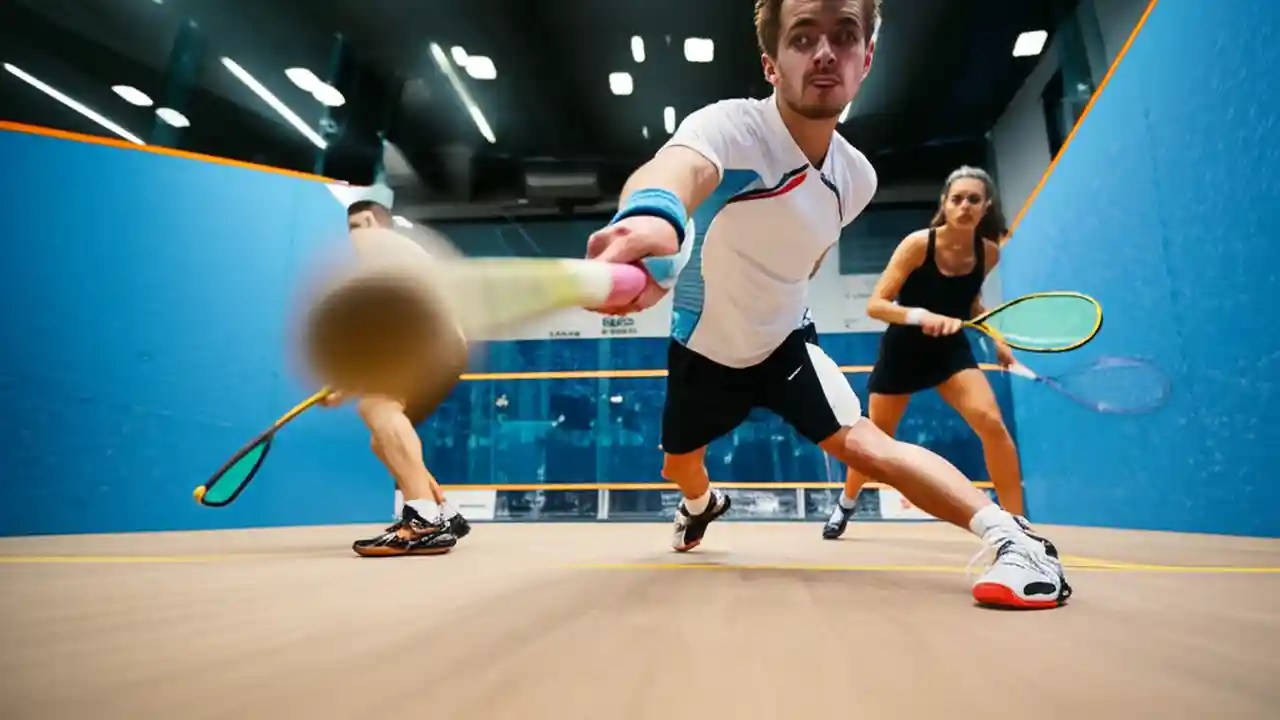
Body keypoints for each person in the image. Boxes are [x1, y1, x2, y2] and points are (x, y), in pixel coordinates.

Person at [585, 0, 1071, 608]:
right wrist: (653, 216)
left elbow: (807, 253)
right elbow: (675, 170)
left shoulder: (857, 180)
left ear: (865, 59)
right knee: (679, 468)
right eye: (802, 38)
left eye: (844, 36)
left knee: (864, 444)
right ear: (771, 63)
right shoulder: (731, 128)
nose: (824, 53)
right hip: (702, 353)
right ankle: (701, 505)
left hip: (785, 347)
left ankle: (1017, 541)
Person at [822, 166, 1024, 540]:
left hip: (950, 352)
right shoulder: (918, 245)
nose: (965, 206)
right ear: (944, 203)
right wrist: (921, 316)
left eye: (974, 199)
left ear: (986, 207)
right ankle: (846, 503)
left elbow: (970, 301)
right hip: (903, 352)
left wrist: (997, 339)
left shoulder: (988, 254)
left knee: (991, 423)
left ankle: (1018, 526)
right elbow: (876, 305)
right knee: (874, 442)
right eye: (957, 198)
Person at [321, 200, 471, 557]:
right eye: (350, 228)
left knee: (376, 406)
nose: (354, 235)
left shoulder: (388, 252)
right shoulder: (388, 261)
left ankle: (423, 520)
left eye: (360, 225)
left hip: (432, 342)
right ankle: (443, 514)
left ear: (379, 224)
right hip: (436, 346)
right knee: (382, 438)